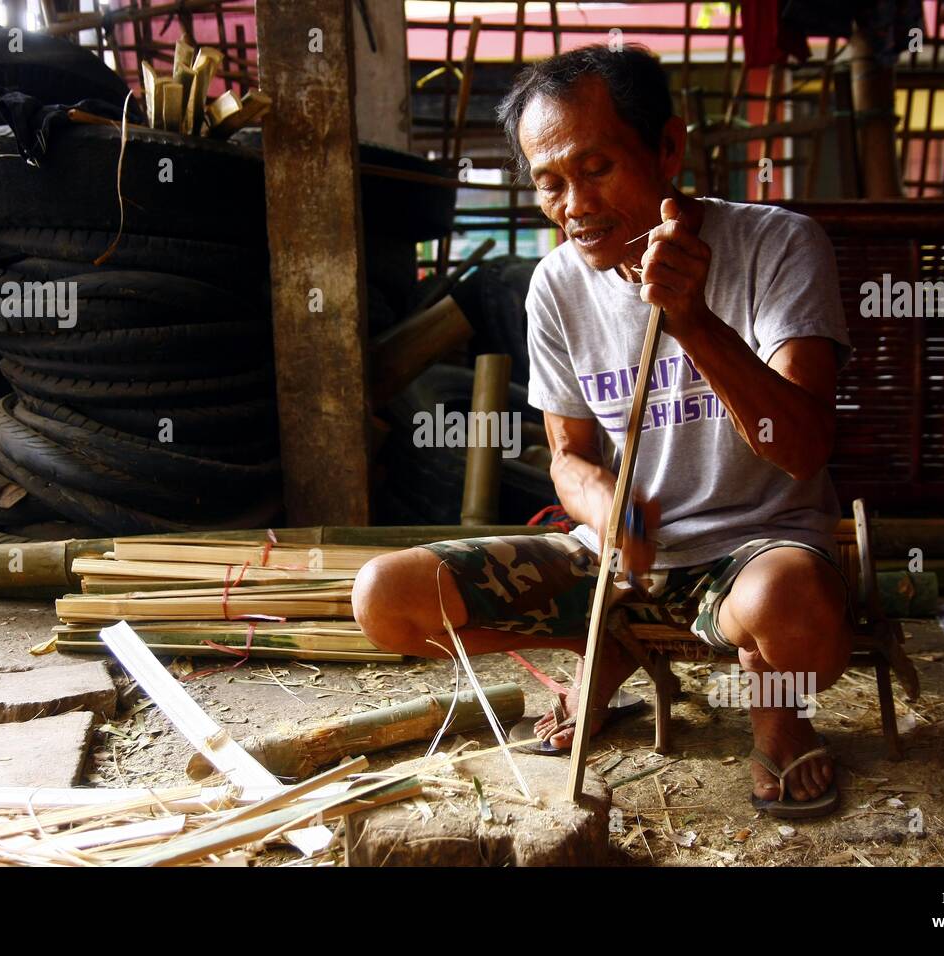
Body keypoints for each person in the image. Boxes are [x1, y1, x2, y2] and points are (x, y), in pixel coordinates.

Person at [353, 44, 853, 818]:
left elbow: (802, 446)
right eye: (550, 182)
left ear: (667, 148)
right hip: (625, 559)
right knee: (386, 598)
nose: (574, 205)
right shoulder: (556, 284)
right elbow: (569, 458)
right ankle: (604, 643)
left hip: (757, 552)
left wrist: (692, 322)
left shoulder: (776, 245)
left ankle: (778, 717)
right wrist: (608, 513)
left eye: (596, 168)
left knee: (798, 608)